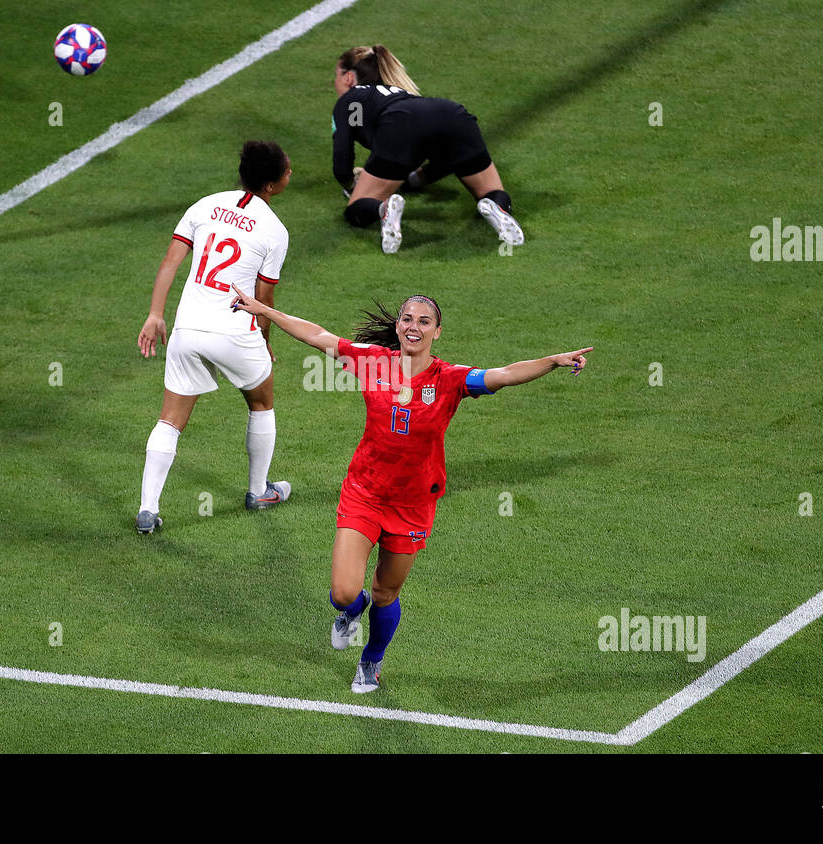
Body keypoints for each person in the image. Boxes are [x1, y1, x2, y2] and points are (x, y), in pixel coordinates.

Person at [228, 284, 592, 692]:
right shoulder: (372, 362)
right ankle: (353, 610)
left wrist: (553, 361)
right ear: (398, 326)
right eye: (407, 319)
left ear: (437, 331)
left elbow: (505, 375)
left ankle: (371, 661)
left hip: (413, 504)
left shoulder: (451, 380)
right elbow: (318, 335)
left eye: (424, 321)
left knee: (385, 591)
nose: (413, 326)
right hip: (364, 492)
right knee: (344, 592)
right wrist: (264, 310)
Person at [134, 141, 294, 534]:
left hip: (187, 329)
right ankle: (258, 491)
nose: (291, 175)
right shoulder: (275, 230)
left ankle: (148, 509)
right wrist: (265, 337)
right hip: (236, 332)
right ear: (272, 185)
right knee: (261, 401)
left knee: (170, 419)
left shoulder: (204, 205)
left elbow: (171, 261)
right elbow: (265, 297)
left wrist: (156, 314)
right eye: (288, 171)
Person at [330, 44, 525, 254]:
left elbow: (342, 158)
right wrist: (415, 179)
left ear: (349, 77)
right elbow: (447, 157)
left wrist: (349, 184)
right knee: (491, 191)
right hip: (453, 115)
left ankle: (384, 209)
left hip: (403, 126)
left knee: (355, 210)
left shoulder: (350, 101)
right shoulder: (400, 94)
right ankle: (498, 208)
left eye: (336, 76)